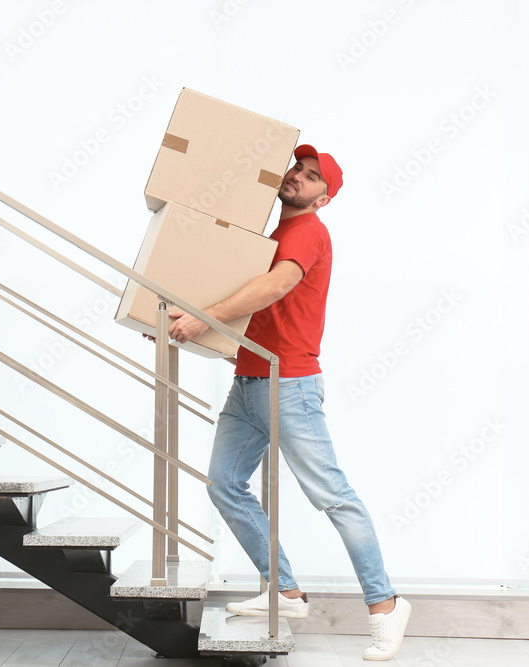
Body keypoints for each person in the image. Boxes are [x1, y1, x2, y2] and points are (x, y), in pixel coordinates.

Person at [167, 145, 412, 661]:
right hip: (251, 382)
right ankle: (285, 591)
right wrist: (171, 321)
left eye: (312, 176)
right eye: (297, 168)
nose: (298, 177)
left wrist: (202, 317)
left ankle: (385, 606)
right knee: (225, 484)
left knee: (333, 496)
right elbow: (237, 296)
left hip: (290, 386)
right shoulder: (272, 234)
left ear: (324, 198)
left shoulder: (307, 233)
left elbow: (275, 287)